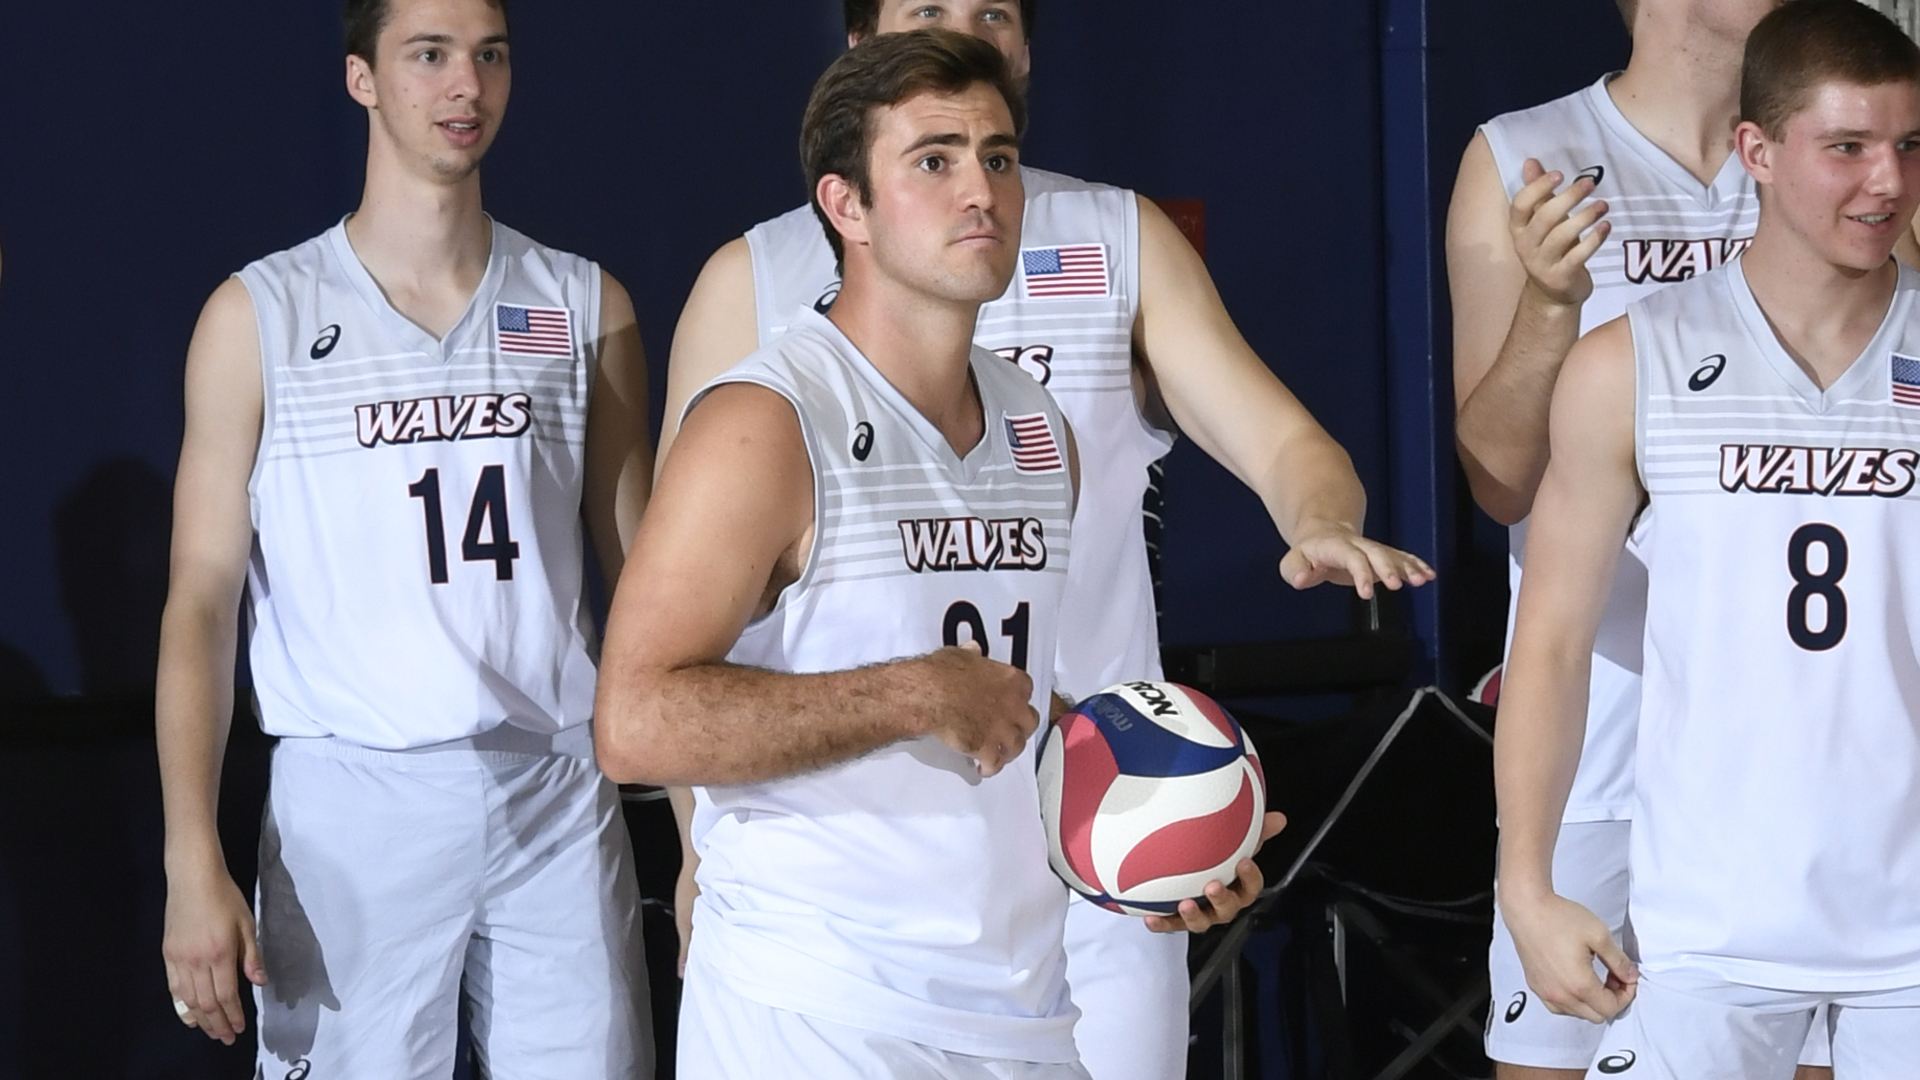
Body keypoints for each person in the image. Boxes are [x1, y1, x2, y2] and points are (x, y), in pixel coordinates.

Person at [662, 5, 1432, 1075]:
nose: (969, 31)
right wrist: (700, 848)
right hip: (834, 935)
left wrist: (1182, 792)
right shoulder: (756, 317)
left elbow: (1282, 440)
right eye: (929, 12)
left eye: (994, 13)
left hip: (1072, 848)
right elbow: (663, 670)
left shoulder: (1042, 397)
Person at [154, 0, 653, 1075]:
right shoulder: (261, 315)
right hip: (351, 803)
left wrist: (702, 825)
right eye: (428, 56)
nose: (464, 86)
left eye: (489, 56)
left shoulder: (582, 303)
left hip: (555, 786)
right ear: (361, 79)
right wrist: (191, 854)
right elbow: (200, 597)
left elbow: (653, 588)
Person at [1497, 2, 1920, 1076]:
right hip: (1707, 934)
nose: (1886, 183)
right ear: (1758, 151)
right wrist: (1528, 885)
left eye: (1909, 147)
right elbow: (1548, 642)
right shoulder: (1627, 364)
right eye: (1848, 149)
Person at [1440, 0, 1823, 1074]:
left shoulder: (1844, 163)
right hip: (1600, 733)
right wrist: (1552, 311)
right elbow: (1500, 480)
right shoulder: (1523, 156)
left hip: (1800, 733)